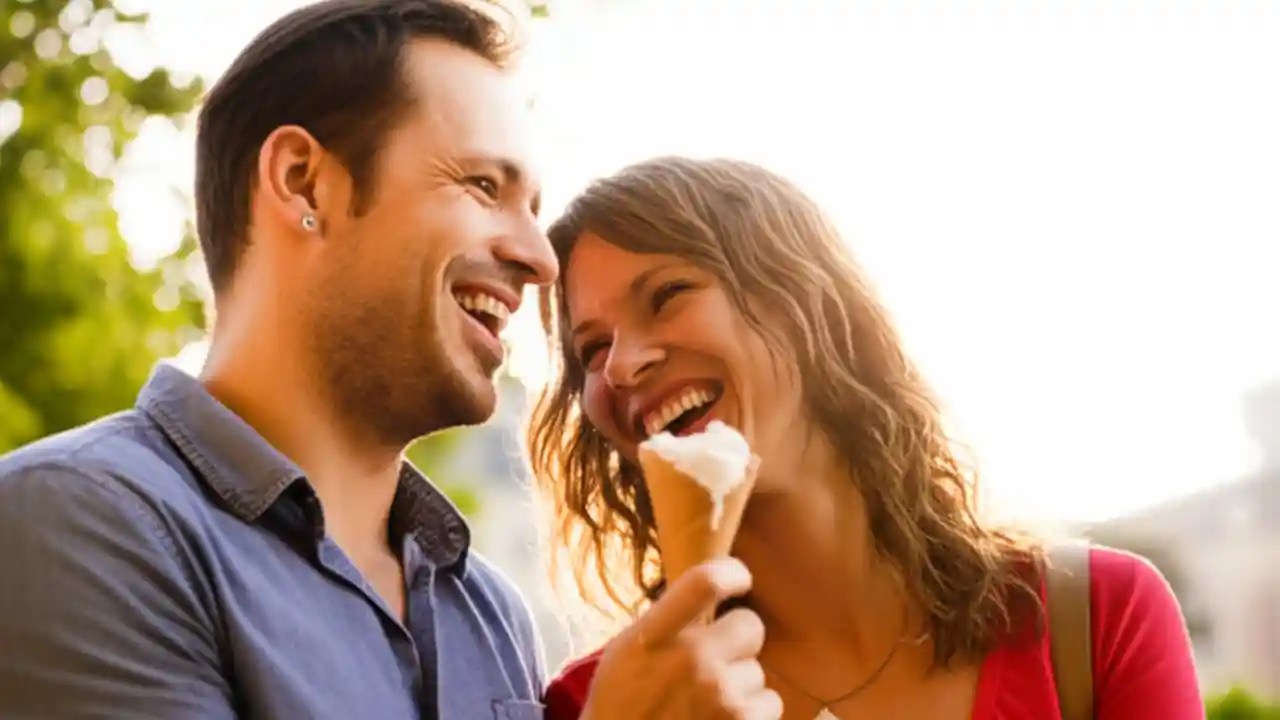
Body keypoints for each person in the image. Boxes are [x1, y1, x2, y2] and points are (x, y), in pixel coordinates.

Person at [0, 3, 776, 718]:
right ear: (304, 182)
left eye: (534, 209)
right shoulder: (78, 525)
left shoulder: (492, 618)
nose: (540, 260)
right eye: (481, 185)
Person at [528, 156, 1206, 719]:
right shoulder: (599, 704)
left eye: (668, 293)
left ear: (807, 305)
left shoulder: (1093, 621)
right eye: (591, 350)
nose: (620, 365)